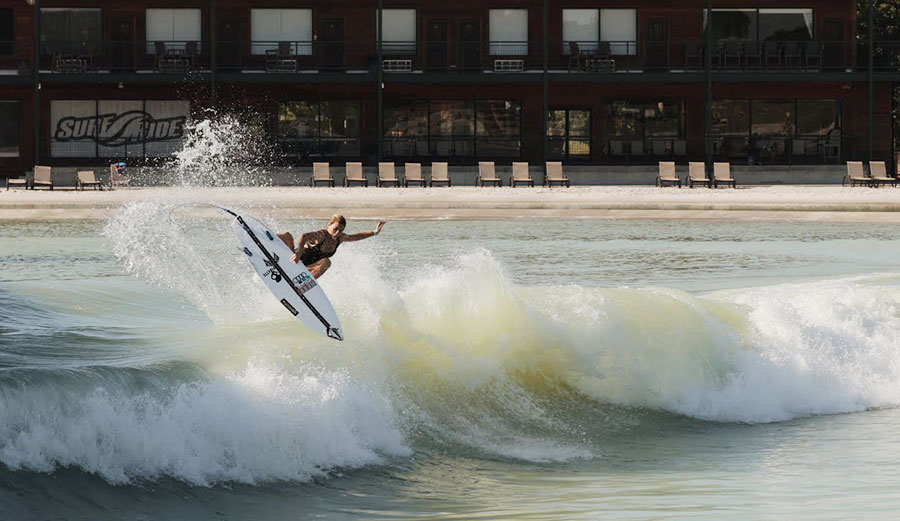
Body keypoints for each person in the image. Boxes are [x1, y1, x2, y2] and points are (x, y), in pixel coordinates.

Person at [277, 214, 385, 279]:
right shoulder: (321, 235)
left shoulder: (340, 238)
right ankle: (265, 239)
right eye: (335, 229)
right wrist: (298, 253)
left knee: (326, 262)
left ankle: (307, 283)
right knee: (287, 236)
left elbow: (357, 236)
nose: (337, 233)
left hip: (306, 267)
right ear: (329, 225)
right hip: (293, 259)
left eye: (341, 230)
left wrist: (375, 232)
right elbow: (304, 236)